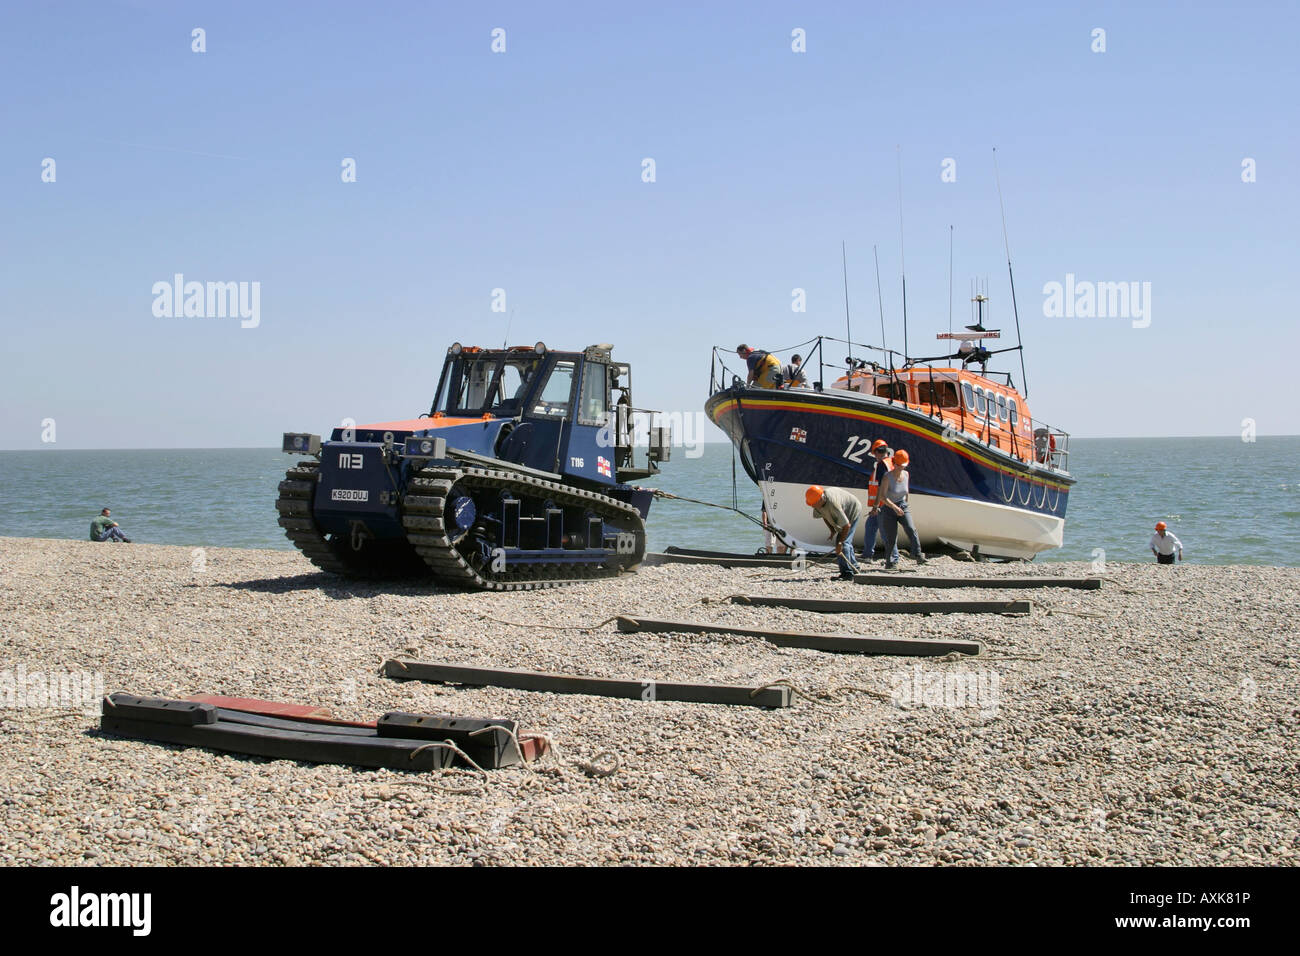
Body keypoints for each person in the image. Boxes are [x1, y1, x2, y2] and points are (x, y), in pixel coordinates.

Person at [877, 450, 926, 569]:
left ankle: (917, 554)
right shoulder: (887, 477)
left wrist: (905, 506)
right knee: (891, 537)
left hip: (902, 505)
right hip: (889, 509)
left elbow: (906, 492)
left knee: (911, 529)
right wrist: (894, 507)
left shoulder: (906, 475)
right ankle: (890, 563)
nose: (902, 468)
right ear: (895, 464)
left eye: (904, 465)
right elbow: (882, 497)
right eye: (900, 466)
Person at [806, 484, 862, 580]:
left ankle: (847, 574)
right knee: (844, 542)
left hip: (853, 510)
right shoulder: (817, 503)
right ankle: (854, 567)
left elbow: (846, 526)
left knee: (843, 542)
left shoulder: (833, 504)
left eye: (814, 504)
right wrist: (832, 530)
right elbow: (824, 515)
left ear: (821, 499)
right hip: (844, 514)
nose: (813, 506)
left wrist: (840, 543)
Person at [861, 440, 900, 566]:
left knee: (885, 533)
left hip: (882, 504)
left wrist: (875, 506)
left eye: (874, 453)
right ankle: (867, 555)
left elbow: (880, 488)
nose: (874, 456)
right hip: (889, 502)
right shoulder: (892, 463)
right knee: (870, 527)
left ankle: (894, 558)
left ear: (877, 452)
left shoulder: (882, 465)